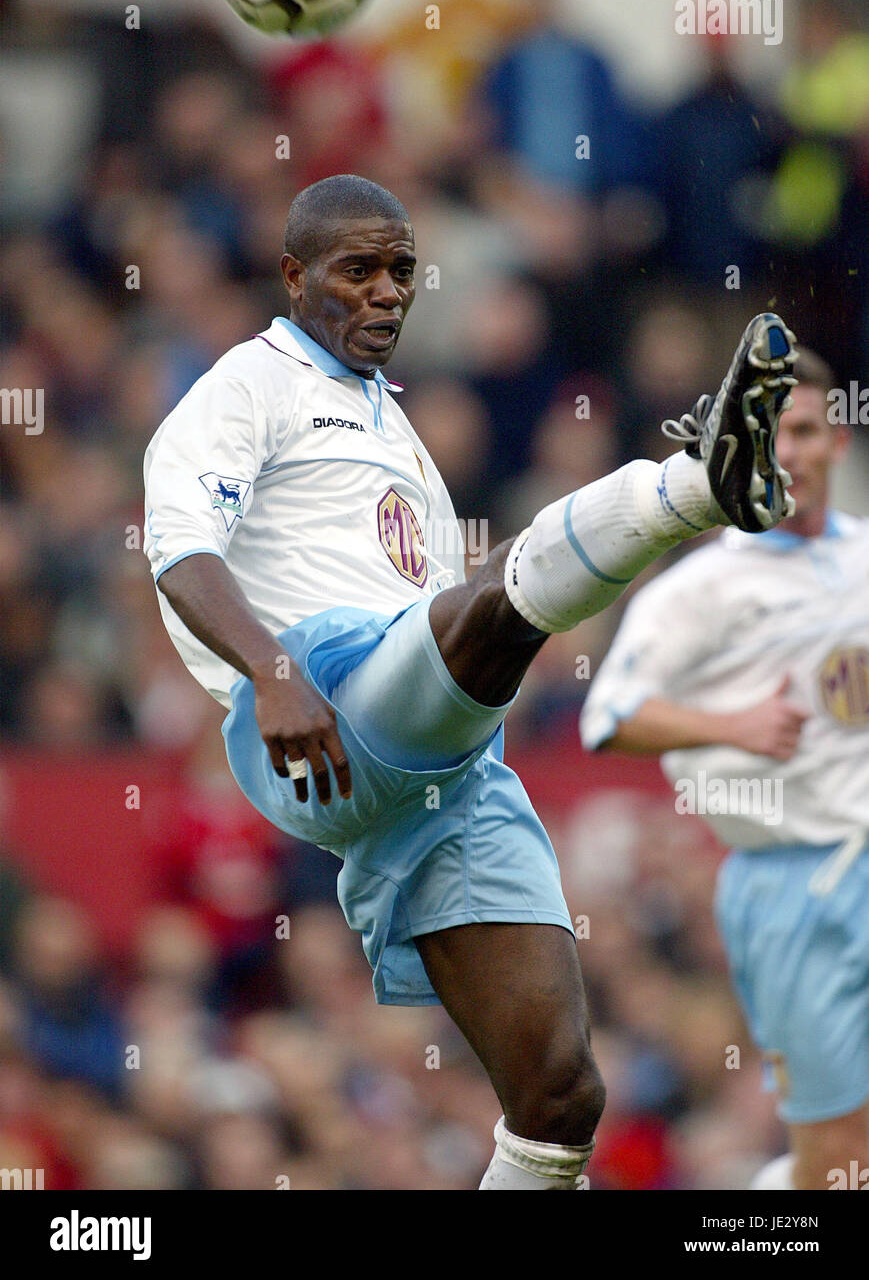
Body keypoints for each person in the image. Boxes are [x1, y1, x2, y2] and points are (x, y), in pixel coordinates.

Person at [143, 173, 797, 1191]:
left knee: (559, 1098)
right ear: (292, 275)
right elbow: (178, 548)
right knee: (496, 604)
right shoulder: (248, 384)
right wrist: (271, 672)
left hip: (444, 774)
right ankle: (696, 484)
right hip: (315, 698)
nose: (386, 292)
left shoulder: (391, 426)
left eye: (401, 270)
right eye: (357, 270)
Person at [581, 349, 869, 1191]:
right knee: (840, 1152)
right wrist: (731, 725)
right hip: (791, 886)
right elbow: (608, 717)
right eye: (769, 435)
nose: (790, 454)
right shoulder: (697, 589)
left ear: (837, 439)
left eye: (804, 430)